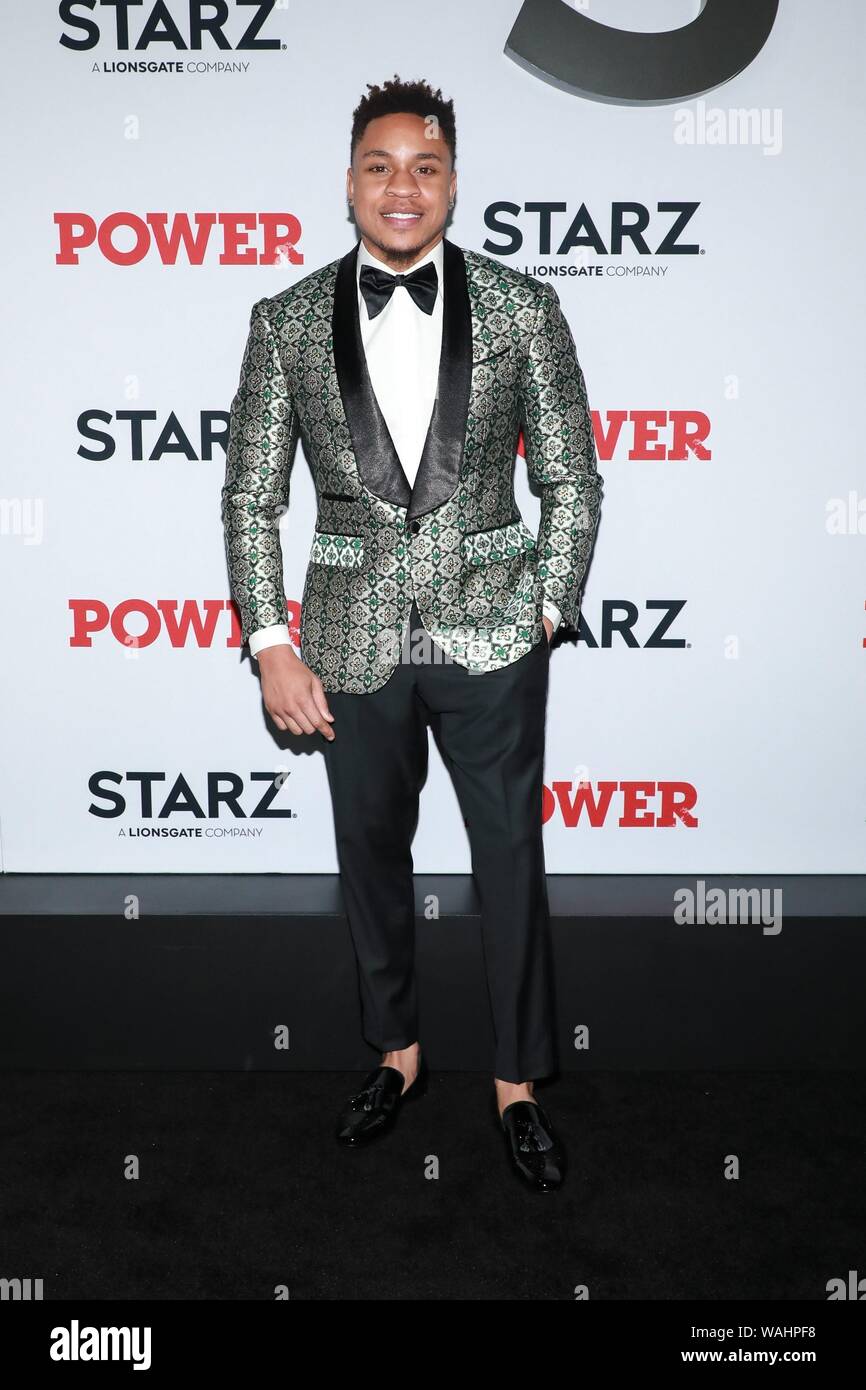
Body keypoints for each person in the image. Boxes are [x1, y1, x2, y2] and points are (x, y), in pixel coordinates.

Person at [221, 75, 603, 1191]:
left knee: (508, 858)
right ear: (348, 183)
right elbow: (251, 496)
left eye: (425, 167)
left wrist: (542, 605)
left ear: (451, 183)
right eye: (380, 166)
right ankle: (396, 1056)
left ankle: (518, 1083)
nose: (403, 187)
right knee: (371, 859)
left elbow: (571, 475)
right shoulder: (283, 320)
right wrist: (267, 639)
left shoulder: (523, 307)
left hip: (490, 634)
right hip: (344, 638)